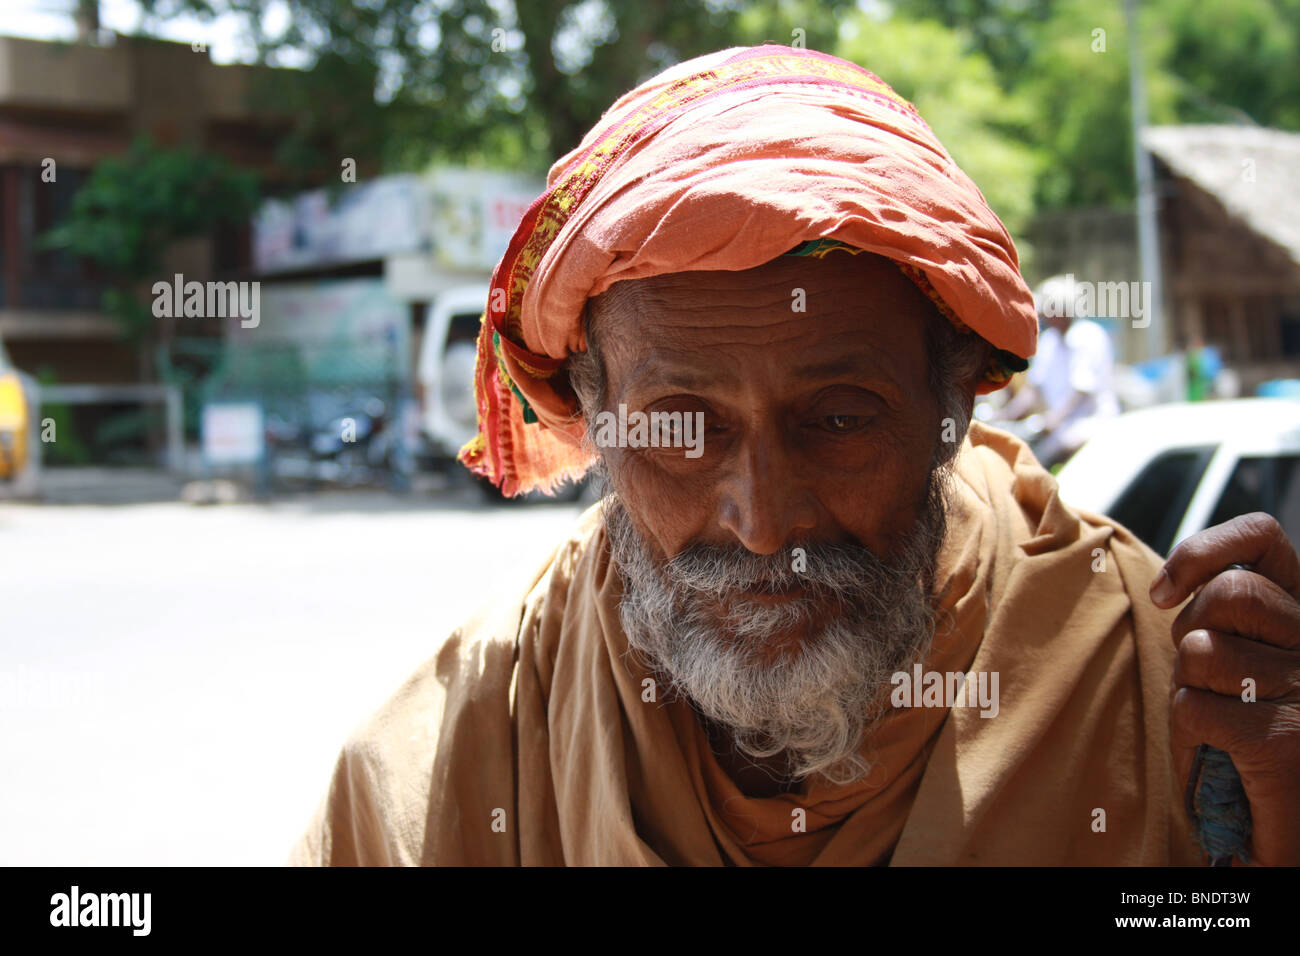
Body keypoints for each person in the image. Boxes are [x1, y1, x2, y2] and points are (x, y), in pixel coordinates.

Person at [289, 45, 1300, 866]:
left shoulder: (1152, 678)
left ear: (951, 404)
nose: (765, 519)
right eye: (682, 425)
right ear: (594, 418)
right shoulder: (471, 742)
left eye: (840, 416)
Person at [993, 275, 1120, 469]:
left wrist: (1053, 419)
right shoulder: (1049, 341)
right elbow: (1034, 389)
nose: (1044, 315)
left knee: (1042, 459)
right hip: (1060, 427)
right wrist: (1005, 415)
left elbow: (1081, 390)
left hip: (1090, 423)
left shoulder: (1088, 336)